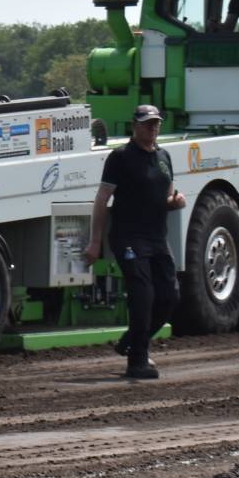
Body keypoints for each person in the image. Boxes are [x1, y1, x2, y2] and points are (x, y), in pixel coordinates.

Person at [83, 104, 187, 379]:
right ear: (135, 126)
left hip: (157, 238)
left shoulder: (164, 157)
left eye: (156, 123)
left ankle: (131, 341)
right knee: (143, 295)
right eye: (147, 123)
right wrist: (95, 242)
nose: (152, 128)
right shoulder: (121, 157)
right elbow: (103, 198)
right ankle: (137, 360)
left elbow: (165, 196)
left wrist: (175, 203)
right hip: (128, 236)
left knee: (169, 296)